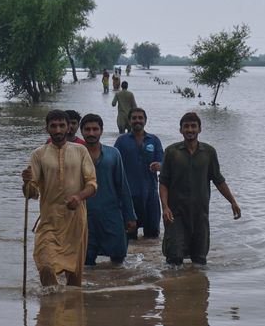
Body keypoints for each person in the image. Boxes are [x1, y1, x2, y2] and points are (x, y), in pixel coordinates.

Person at [22, 110, 97, 286]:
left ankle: (69, 309)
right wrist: (26, 183)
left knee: (74, 278)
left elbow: (92, 184)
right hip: (50, 220)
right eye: (53, 126)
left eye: (61, 125)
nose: (57, 130)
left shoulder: (81, 151)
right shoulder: (39, 154)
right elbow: (32, 194)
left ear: (68, 127)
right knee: (45, 265)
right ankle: (50, 304)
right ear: (46, 128)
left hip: (76, 221)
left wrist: (78, 197)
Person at [159, 112, 241, 265]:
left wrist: (232, 201)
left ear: (199, 129)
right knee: (174, 258)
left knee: (200, 260)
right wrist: (165, 207)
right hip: (175, 214)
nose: (190, 130)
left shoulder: (208, 152)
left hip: (200, 214)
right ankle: (172, 287)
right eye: (186, 127)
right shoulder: (172, 152)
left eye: (193, 126)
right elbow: (163, 182)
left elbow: (218, 179)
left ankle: (197, 288)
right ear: (180, 130)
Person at [79, 113, 136, 266]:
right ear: (81, 131)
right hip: (84, 215)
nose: (91, 133)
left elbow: (122, 186)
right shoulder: (75, 155)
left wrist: (130, 215)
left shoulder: (113, 154)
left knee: (118, 257)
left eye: (95, 129)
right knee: (86, 261)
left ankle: (113, 289)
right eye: (87, 129)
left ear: (101, 131)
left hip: (111, 214)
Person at [114, 107, 163, 239]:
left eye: (140, 118)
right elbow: (114, 165)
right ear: (129, 121)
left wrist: (160, 166)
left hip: (150, 194)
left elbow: (164, 164)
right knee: (130, 236)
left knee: (152, 236)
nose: (137, 120)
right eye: (134, 118)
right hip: (129, 196)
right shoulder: (121, 141)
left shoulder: (154, 140)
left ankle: (150, 259)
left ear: (145, 121)